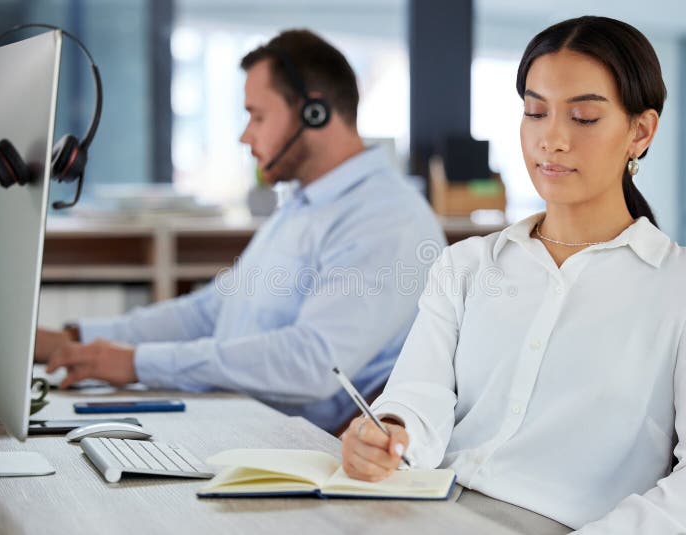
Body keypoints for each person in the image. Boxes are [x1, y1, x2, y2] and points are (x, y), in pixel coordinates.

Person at [340, 16, 686, 534]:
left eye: (583, 117)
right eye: (535, 112)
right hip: (427, 511)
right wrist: (389, 432)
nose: (551, 139)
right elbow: (419, 394)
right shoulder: (466, 265)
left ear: (640, 132)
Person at [37, 29, 445, 434]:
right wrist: (79, 340)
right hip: (238, 420)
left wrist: (137, 363)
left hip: (294, 448)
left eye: (258, 116)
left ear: (314, 113)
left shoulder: (387, 220)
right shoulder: (304, 205)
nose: (245, 135)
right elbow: (211, 311)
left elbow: (314, 363)